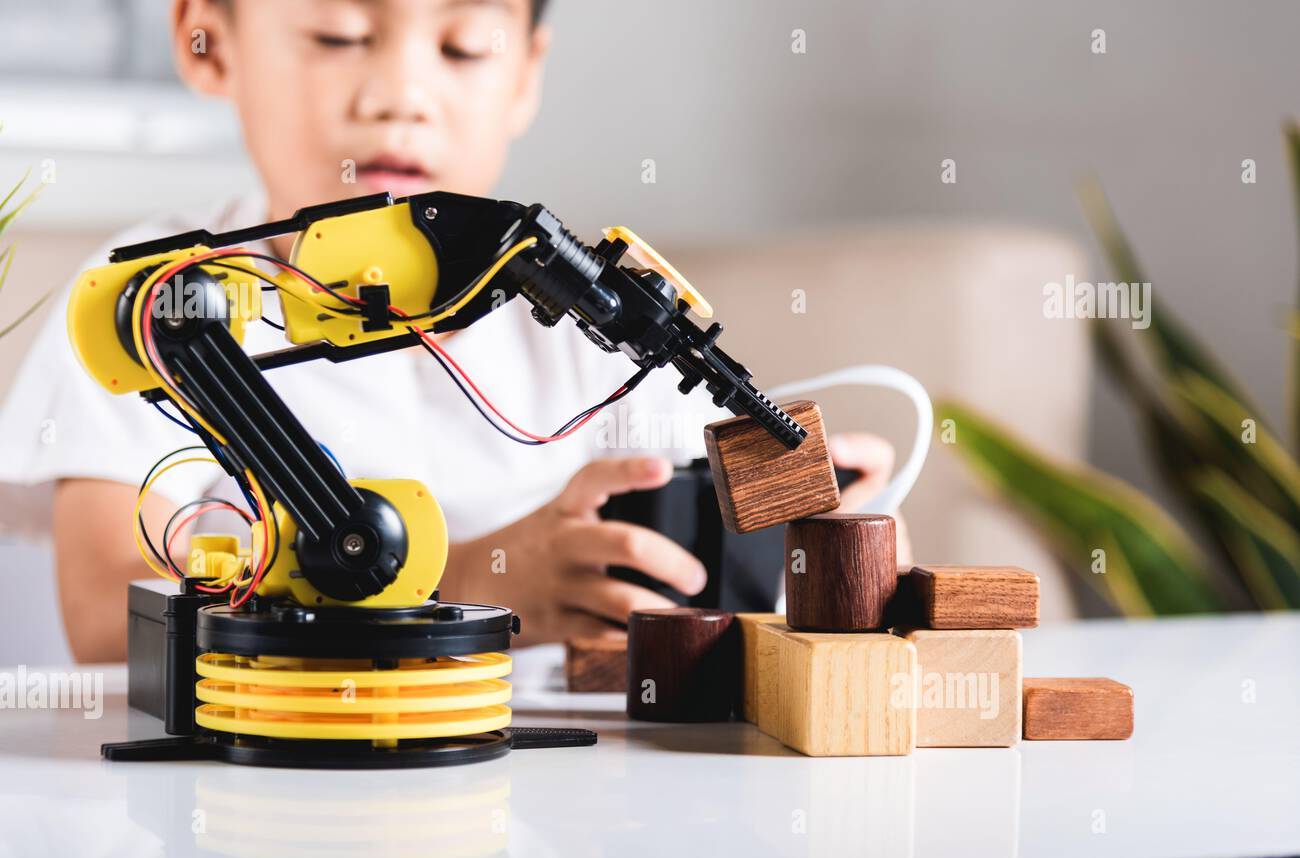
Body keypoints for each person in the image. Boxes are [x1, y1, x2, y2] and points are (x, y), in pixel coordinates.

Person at [0, 0, 905, 663]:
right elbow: (105, 617)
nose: (402, 95)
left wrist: (798, 537)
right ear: (207, 41)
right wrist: (476, 584)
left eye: (465, 47)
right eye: (338, 35)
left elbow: (705, 551)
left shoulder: (585, 329)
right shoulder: (156, 303)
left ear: (526, 76)